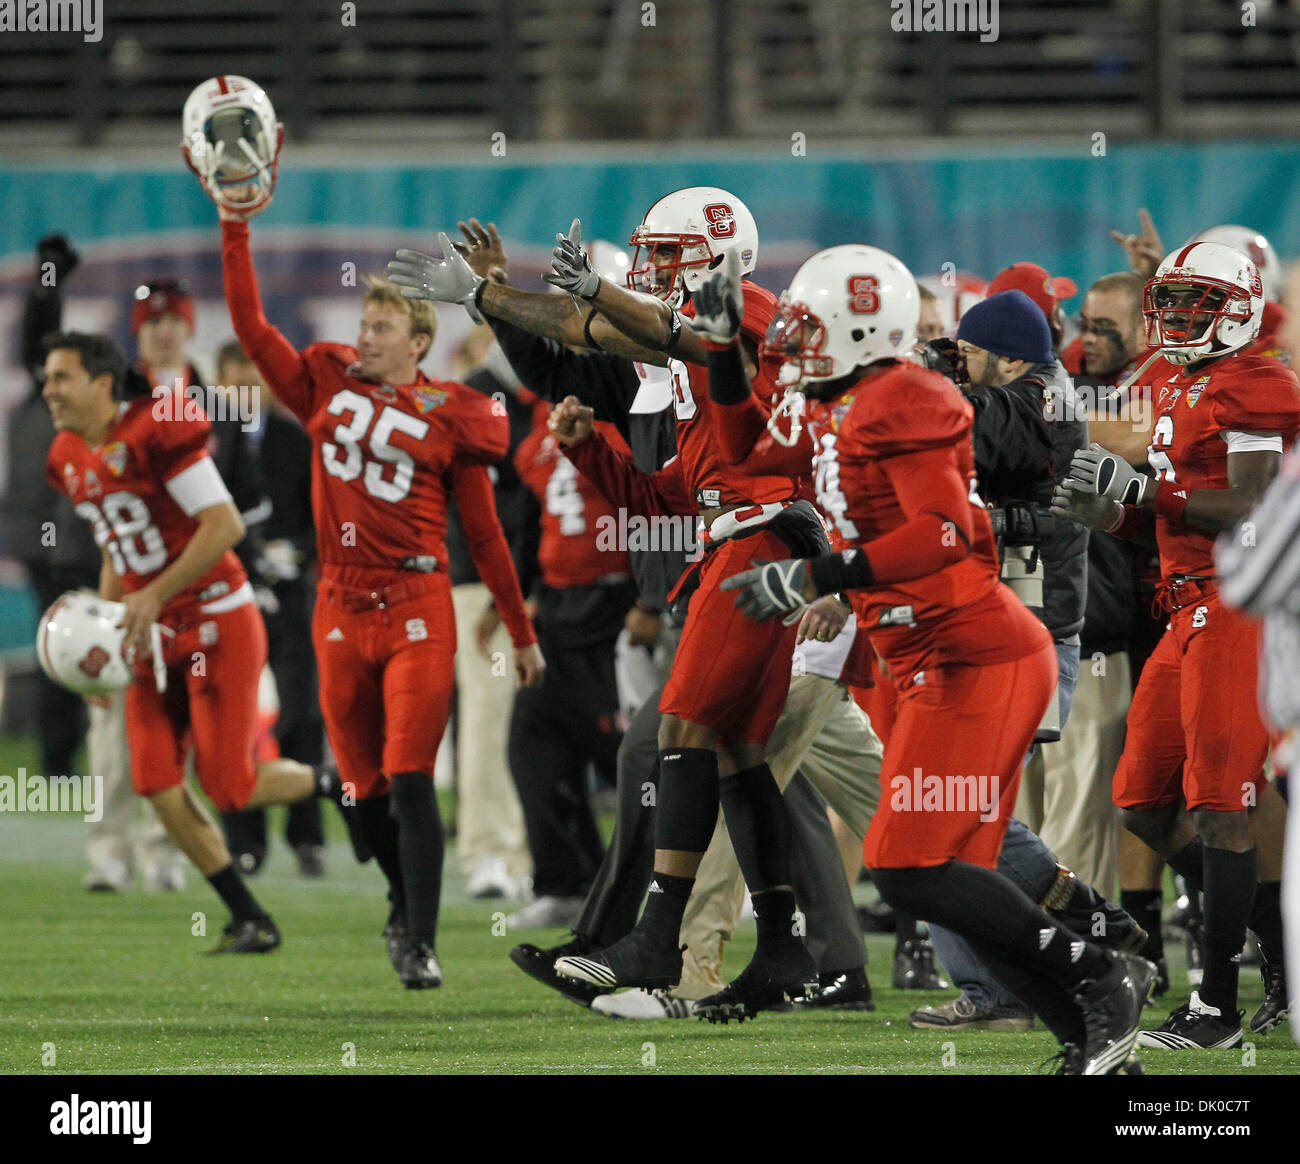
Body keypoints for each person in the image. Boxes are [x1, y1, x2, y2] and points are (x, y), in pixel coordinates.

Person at [714, 243, 1153, 1074]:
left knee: (909, 864)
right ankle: (1095, 1034)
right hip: (928, 659)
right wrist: (713, 352)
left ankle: (1099, 975)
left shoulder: (902, 399)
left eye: (812, 325)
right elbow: (745, 454)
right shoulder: (837, 404)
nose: (797, 341)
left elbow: (944, 532)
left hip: (975, 657)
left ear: (858, 329)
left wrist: (818, 573)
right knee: (937, 864)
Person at [391, 187, 828, 1020]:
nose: (652, 271)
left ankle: (656, 937)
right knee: (734, 753)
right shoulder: (692, 362)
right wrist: (589, 450)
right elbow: (663, 483)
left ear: (722, 256)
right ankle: (781, 943)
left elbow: (644, 328)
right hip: (736, 541)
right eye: (649, 256)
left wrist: (516, 295)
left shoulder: (752, 313)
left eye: (668, 255)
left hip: (762, 542)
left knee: (681, 732)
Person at [213, 185, 542, 988]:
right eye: (362, 324)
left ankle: (421, 942)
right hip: (339, 605)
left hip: (417, 603)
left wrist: (518, 628)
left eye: (382, 326)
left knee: (408, 774)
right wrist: (236, 227)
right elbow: (253, 331)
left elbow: (486, 529)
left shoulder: (453, 410)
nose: (363, 335)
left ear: (418, 340)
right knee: (361, 798)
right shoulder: (326, 383)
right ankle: (403, 905)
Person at [1053, 240, 1300, 1047]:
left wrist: (1145, 491)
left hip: (1241, 608)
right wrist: (1116, 516)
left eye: (1196, 302)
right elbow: (1159, 505)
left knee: (1222, 808)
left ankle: (1217, 1006)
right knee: (1142, 802)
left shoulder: (1262, 381)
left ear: (1233, 310)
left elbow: (1254, 511)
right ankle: (1281, 952)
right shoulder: (1165, 376)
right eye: (1173, 301)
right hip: (1182, 607)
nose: (1178, 317)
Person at [43, 332, 344, 952]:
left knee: (228, 783)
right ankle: (250, 917)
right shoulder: (70, 453)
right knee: (156, 781)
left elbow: (225, 524)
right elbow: (114, 541)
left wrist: (154, 593)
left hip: (215, 615)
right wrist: (105, 634)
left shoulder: (157, 428)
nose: (49, 390)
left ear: (103, 384)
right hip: (151, 634)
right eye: (47, 377)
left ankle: (337, 783)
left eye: (62, 378)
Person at [212, 341, 331, 878]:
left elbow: (323, 518)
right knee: (232, 722)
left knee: (301, 714)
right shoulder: (206, 442)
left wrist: (297, 553)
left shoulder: (299, 437)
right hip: (230, 597)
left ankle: (307, 837)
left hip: (290, 598)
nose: (244, 383)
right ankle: (245, 841)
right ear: (218, 380)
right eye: (233, 372)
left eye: (253, 371)